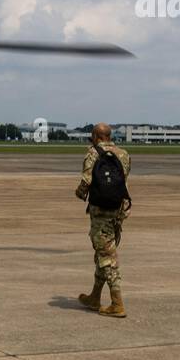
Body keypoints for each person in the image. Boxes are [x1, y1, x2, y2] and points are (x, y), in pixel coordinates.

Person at [75, 123, 131, 317]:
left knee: (107, 257)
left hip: (100, 212)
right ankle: (95, 297)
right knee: (104, 252)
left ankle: (117, 303)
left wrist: (80, 193)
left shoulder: (93, 153)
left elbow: (86, 181)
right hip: (118, 211)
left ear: (96, 136)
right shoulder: (123, 154)